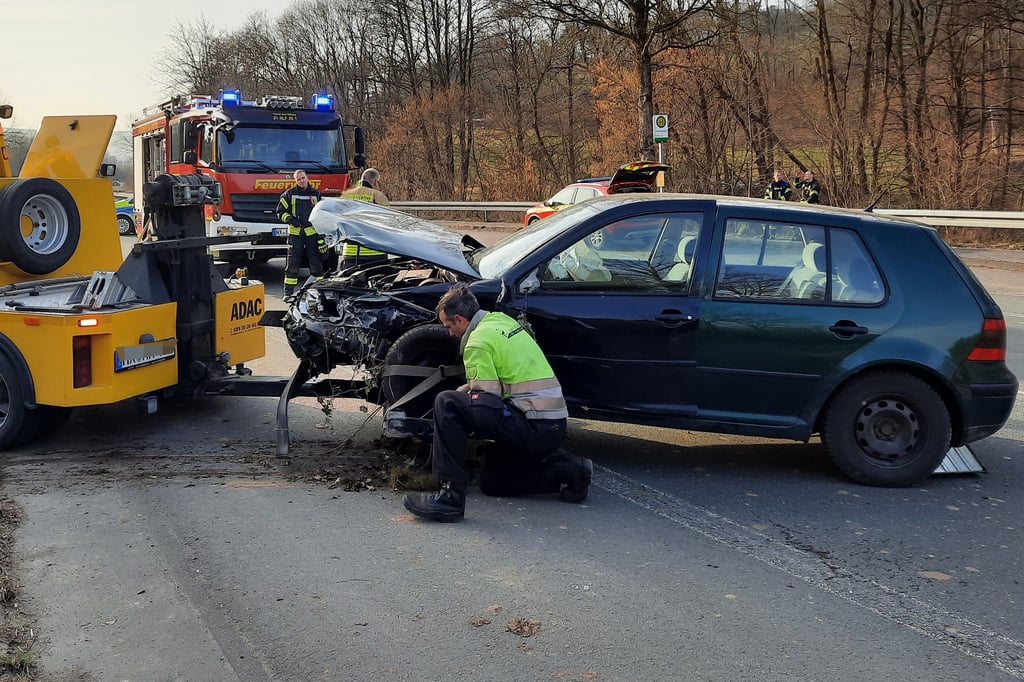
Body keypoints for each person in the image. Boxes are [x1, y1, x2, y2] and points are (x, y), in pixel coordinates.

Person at [403, 285, 593, 523]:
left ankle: (449, 498)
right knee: (494, 483)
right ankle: (572, 471)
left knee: (447, 403)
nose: (450, 333)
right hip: (551, 424)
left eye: (449, 326)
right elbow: (499, 384)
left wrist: (452, 411)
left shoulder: (477, 343)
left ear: (460, 319)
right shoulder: (501, 321)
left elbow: (486, 401)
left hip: (533, 426)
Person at [276, 169, 327, 301]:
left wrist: (321, 239)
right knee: (293, 264)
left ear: (307, 178)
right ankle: (288, 293)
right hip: (296, 234)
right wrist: (291, 220)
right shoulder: (289, 194)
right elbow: (280, 212)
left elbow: (322, 216)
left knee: (316, 264)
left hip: (312, 234)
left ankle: (319, 292)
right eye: (298, 179)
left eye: (303, 178)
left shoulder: (316, 194)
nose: (301, 181)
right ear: (295, 181)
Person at [340, 168, 390, 269]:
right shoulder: (378, 196)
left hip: (350, 251)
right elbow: (387, 223)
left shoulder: (346, 195)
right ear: (375, 181)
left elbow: (340, 221)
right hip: (375, 251)